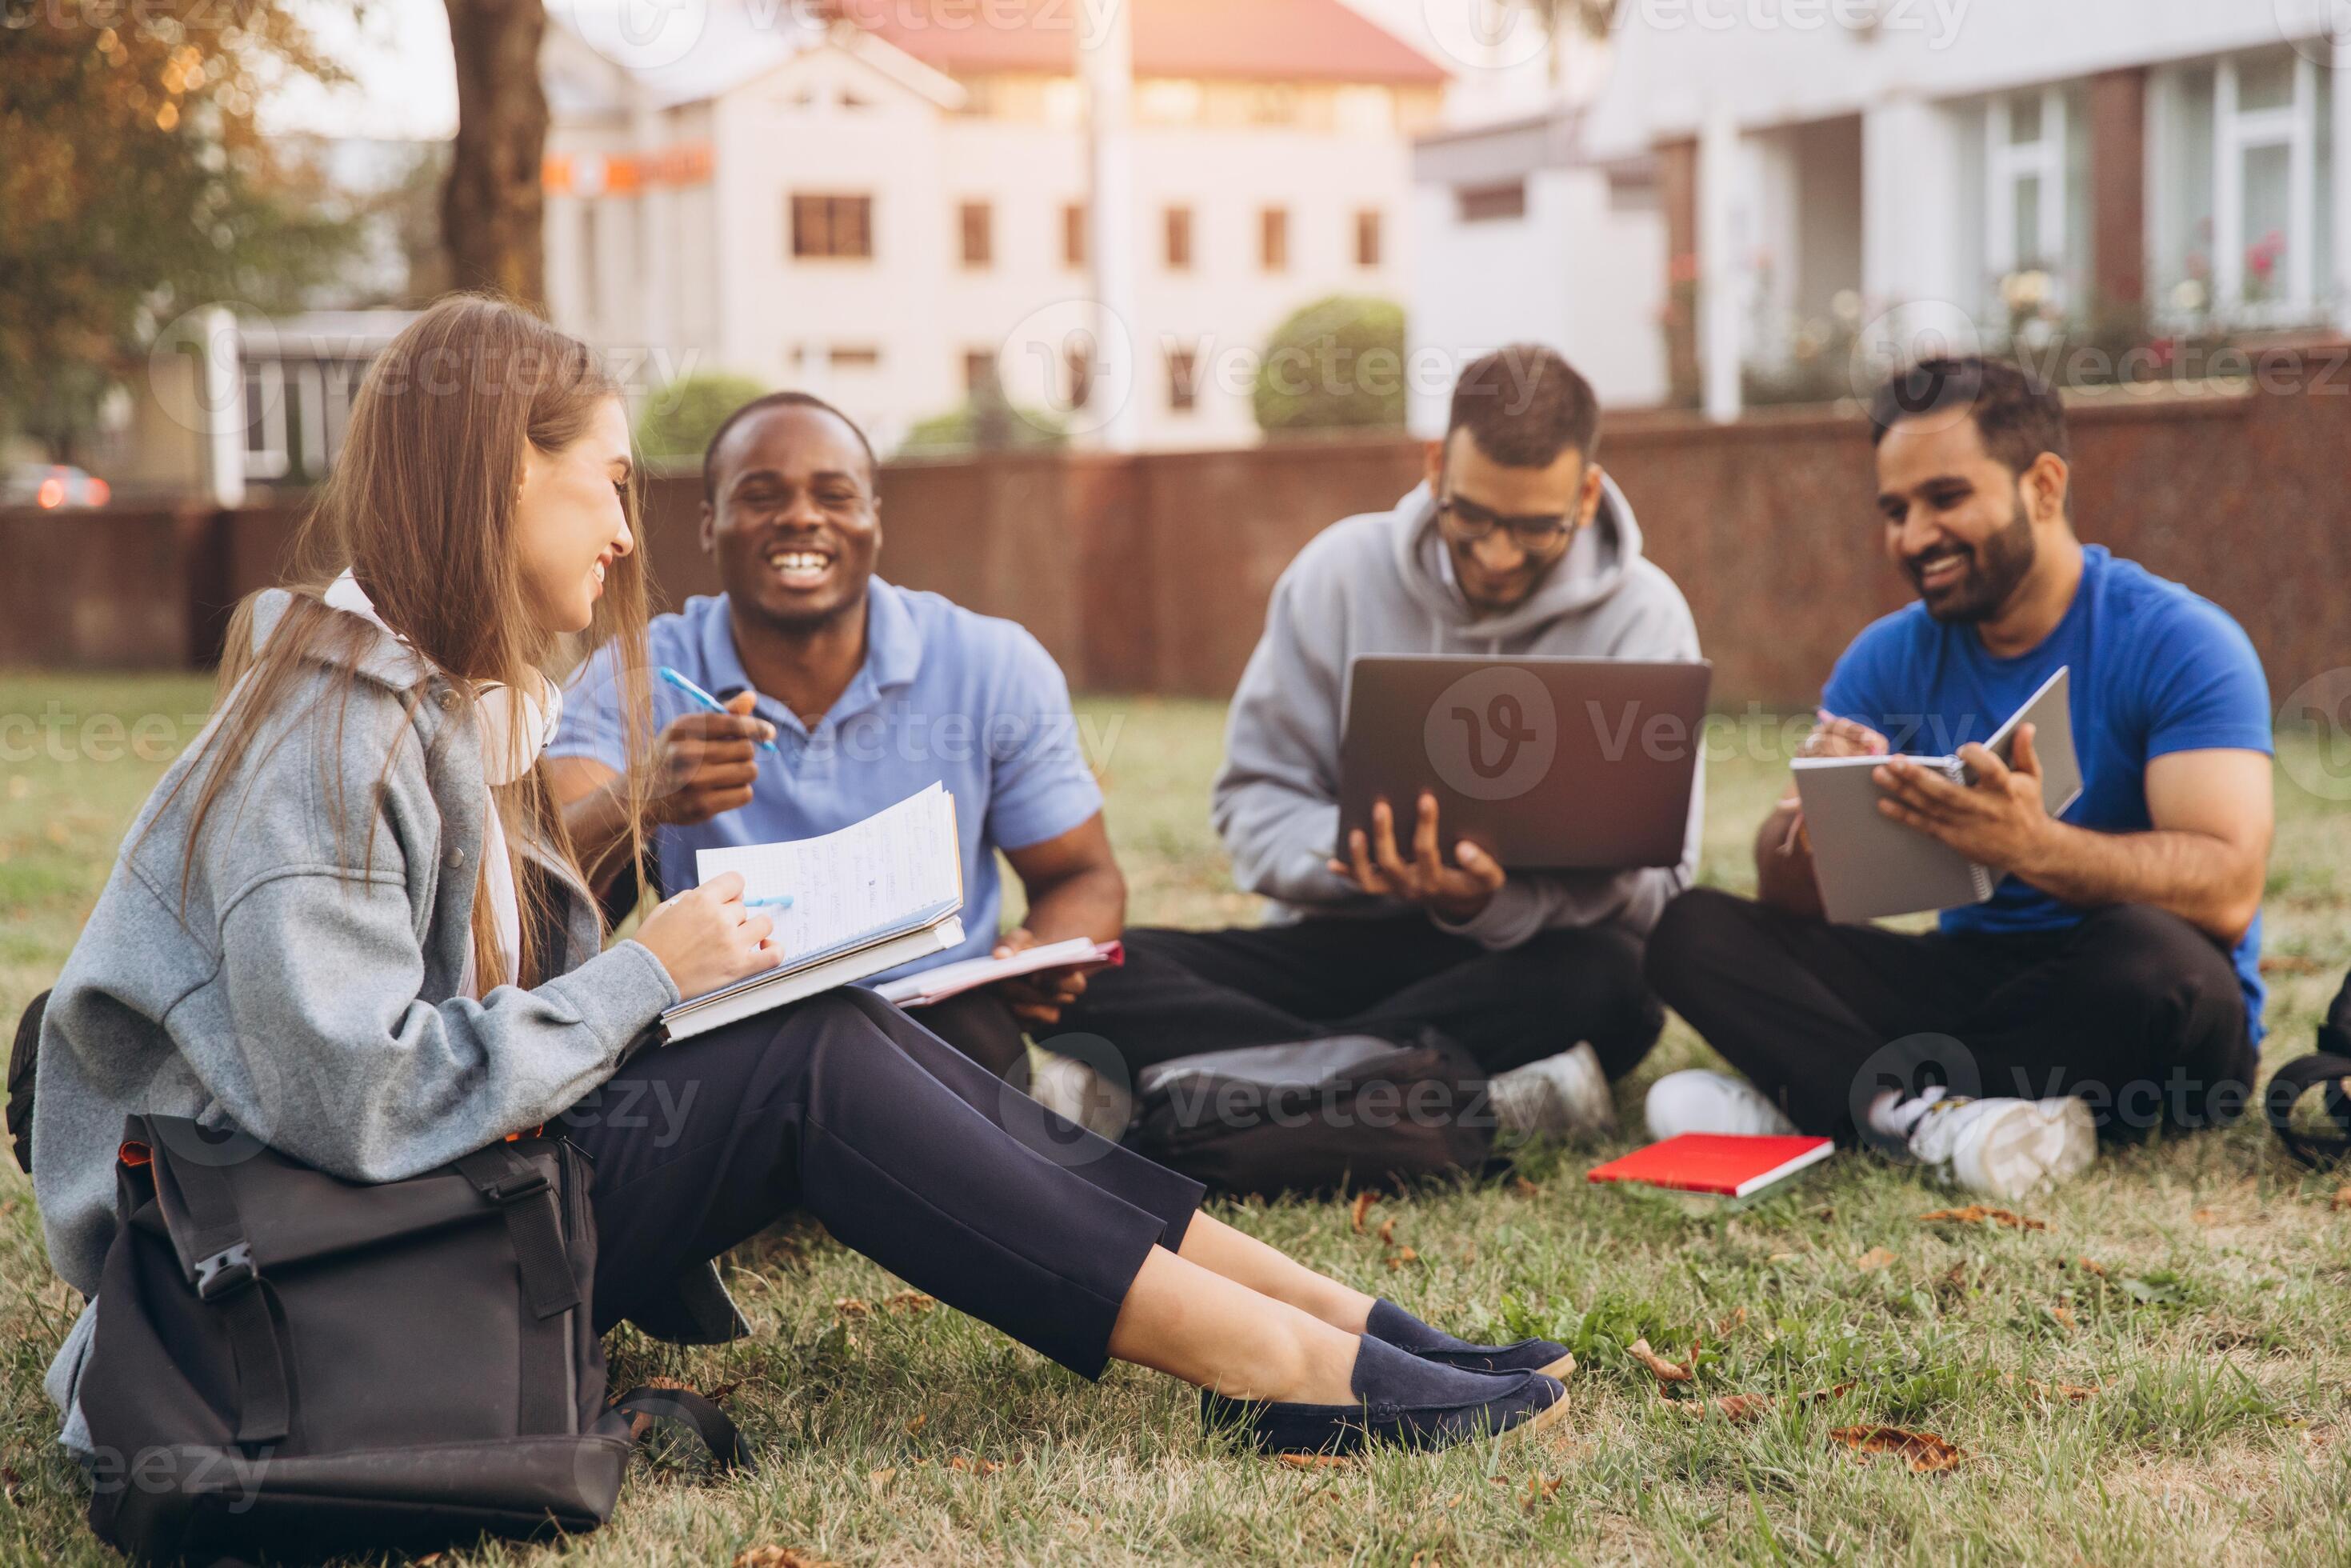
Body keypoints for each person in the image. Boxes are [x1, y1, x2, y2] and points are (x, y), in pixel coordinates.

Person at [29, 298, 1576, 1475]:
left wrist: (664, 976)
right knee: (803, 1057)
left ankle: (1341, 1331)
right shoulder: (329, 735)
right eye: (611, 487)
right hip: (291, 1294)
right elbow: (351, 1105)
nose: (627, 532)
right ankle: (1287, 1372)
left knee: (828, 1025)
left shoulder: (419, 706)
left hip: (406, 1233)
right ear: (504, 478)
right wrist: (653, 973)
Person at [1642, 357, 2273, 1198]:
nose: (1911, 536)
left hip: (2131, 1003)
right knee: (1690, 931)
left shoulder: (2180, 641)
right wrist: (1807, 823)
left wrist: (2032, 845)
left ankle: (1830, 1096)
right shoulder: (1886, 655)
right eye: (1894, 511)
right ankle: (1935, 1117)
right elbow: (1788, 903)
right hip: (1971, 979)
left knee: (2157, 964)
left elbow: (2226, 889)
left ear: (2042, 486)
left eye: (1944, 499)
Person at [1060, 345, 1701, 1141]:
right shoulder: (1336, 573)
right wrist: (1357, 857)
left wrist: (1491, 901)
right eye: (1473, 517)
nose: (1498, 554)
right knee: (1088, 974)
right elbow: (1250, 804)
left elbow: (1665, 886)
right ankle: (1443, 1091)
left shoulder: (1645, 619)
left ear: (1588, 492)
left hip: (1518, 960)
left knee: (1615, 983)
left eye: (1536, 527)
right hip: (1335, 945)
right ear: (1435, 468)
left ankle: (1223, 1082)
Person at [547, 392, 1118, 1081]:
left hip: (937, 1024)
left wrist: (1037, 959)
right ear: (710, 524)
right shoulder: (638, 673)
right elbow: (539, 876)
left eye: (834, 494)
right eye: (760, 496)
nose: (800, 518)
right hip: (738, 1037)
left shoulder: (991, 663)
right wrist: (642, 797)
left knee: (968, 1050)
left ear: (874, 519)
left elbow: (1081, 875)